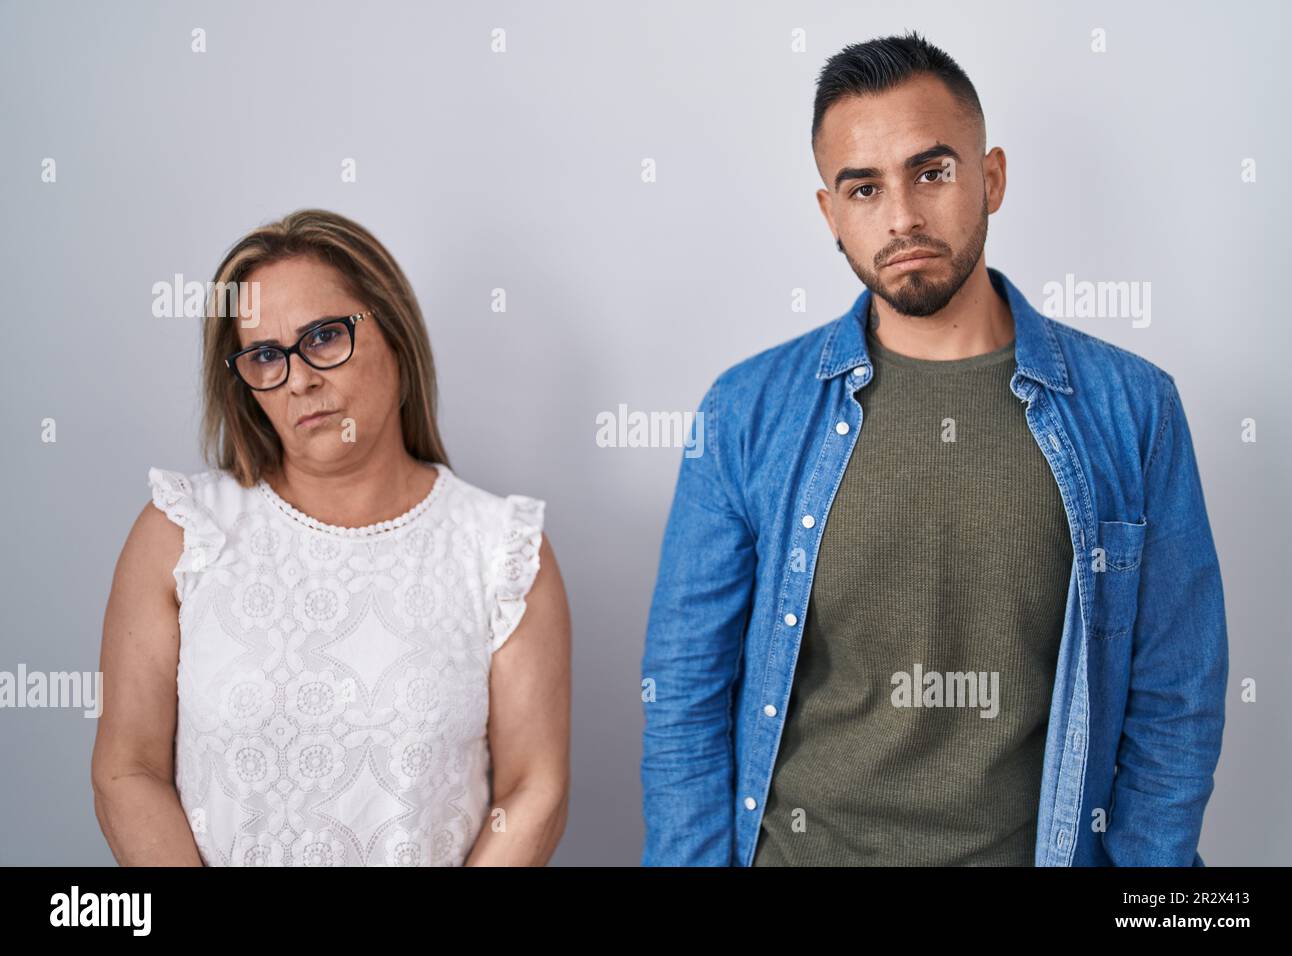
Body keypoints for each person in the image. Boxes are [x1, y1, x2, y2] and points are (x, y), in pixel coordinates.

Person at [640, 32, 1228, 866]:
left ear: (990, 177)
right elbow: (684, 705)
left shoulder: (1134, 410)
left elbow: (1177, 700)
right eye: (864, 187)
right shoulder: (745, 414)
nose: (903, 216)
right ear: (829, 213)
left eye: (932, 172)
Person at [92, 209, 571, 866]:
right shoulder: (181, 532)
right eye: (265, 356)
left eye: (322, 337)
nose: (299, 378)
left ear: (394, 332)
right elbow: (129, 771)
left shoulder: (502, 551)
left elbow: (532, 788)